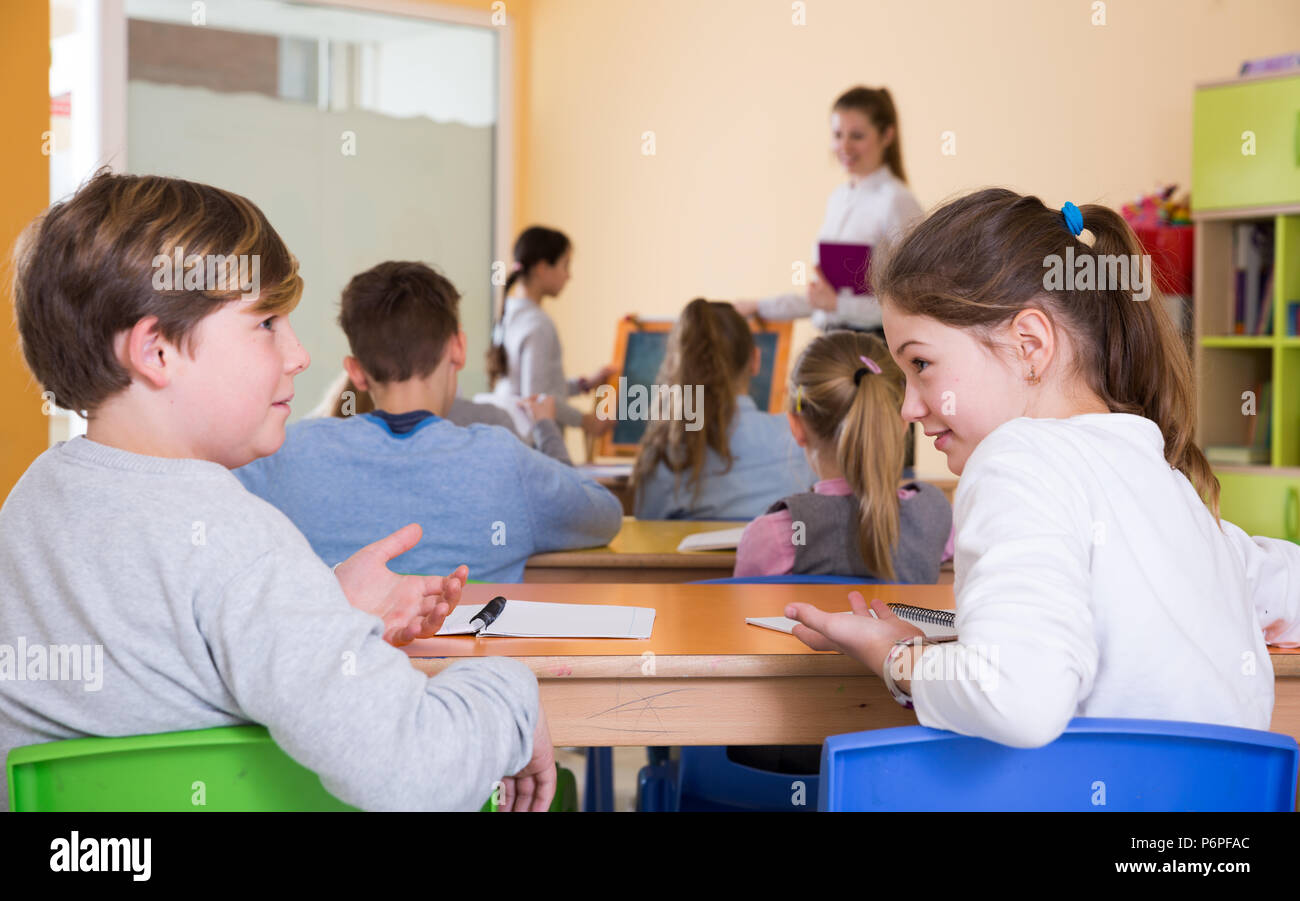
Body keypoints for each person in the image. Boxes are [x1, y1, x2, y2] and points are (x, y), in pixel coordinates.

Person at [0, 172, 553, 810]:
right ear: (156, 353)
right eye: (265, 322)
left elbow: (162, 667)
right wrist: (511, 693)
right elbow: (413, 772)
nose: (298, 354)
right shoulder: (237, 540)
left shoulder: (32, 503)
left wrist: (322, 607)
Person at [786, 189, 1300, 746]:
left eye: (922, 364)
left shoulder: (1016, 459)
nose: (908, 407)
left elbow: (1017, 701)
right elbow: (1278, 581)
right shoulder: (1160, 473)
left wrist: (895, 657)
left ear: (1029, 344)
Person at [235, 261, 623, 582]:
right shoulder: (502, 460)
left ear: (355, 372)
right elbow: (605, 515)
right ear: (458, 348)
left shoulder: (287, 451)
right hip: (467, 670)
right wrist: (547, 428)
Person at [734, 330, 951, 580]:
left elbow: (740, 617)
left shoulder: (773, 535)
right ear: (901, 424)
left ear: (796, 426)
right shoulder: (934, 513)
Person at [734, 86, 923, 335]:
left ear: (887, 135)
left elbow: (913, 300)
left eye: (856, 136)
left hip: (873, 349)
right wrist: (760, 306)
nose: (844, 146)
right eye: (837, 135)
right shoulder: (838, 198)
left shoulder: (896, 200)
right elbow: (821, 299)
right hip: (832, 342)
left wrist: (838, 304)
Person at [632, 299, 815, 520]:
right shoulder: (801, 441)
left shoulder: (664, 457)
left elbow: (647, 541)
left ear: (675, 365)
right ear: (755, 360)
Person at [485, 226, 614, 446]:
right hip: (533, 447)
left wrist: (583, 385)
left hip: (509, 440)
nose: (569, 275)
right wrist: (585, 421)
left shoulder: (508, 316)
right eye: (565, 265)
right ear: (543, 269)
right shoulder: (539, 324)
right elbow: (536, 398)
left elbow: (535, 383)